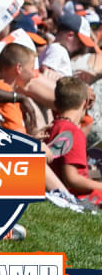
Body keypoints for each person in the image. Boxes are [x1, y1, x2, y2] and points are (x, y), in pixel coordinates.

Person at [45, 76, 102, 204]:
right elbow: (72, 179)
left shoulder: (52, 127)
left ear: (55, 104)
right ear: (86, 103)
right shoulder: (74, 133)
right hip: (77, 197)